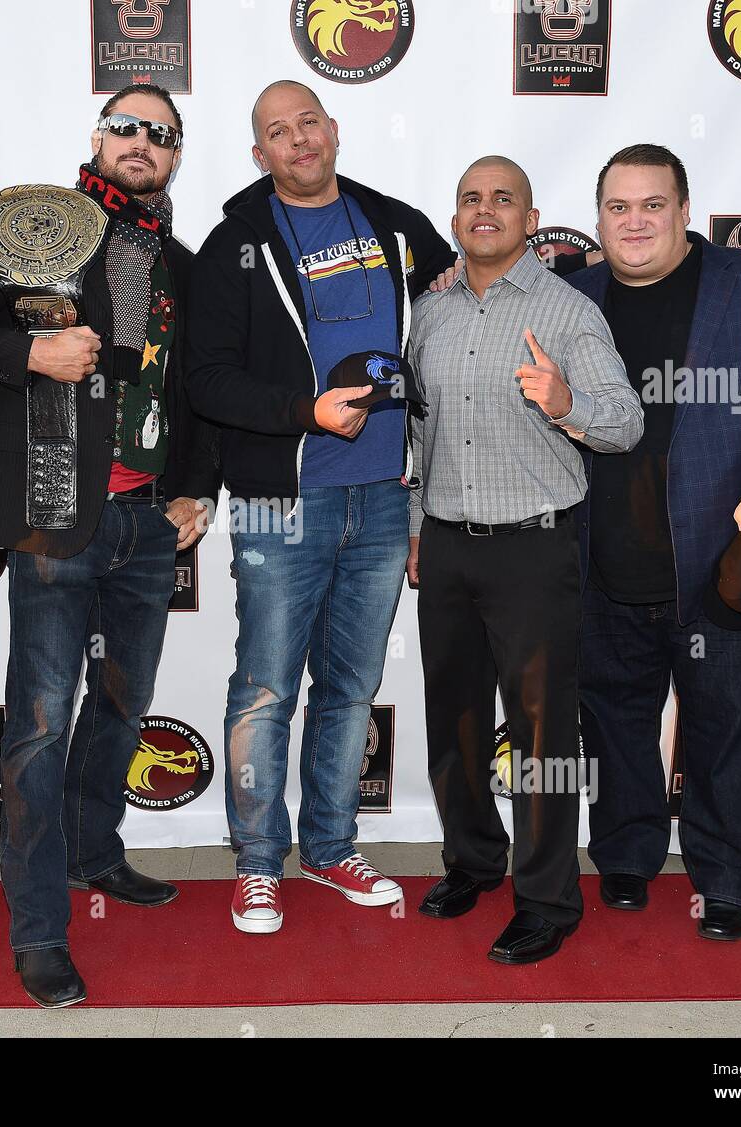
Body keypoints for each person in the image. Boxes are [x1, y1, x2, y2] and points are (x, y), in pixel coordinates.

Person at [0, 83, 220, 1006]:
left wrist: (199, 485)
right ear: (98, 137)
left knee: (121, 708)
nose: (142, 143)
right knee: (40, 723)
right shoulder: (33, 229)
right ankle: (39, 925)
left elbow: (204, 383)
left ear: (174, 156)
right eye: (126, 126)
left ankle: (94, 850)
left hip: (148, 524)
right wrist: (24, 354)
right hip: (52, 520)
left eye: (160, 135)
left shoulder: (186, 265)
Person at [186, 80, 456, 935]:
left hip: (381, 499)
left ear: (333, 130)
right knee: (265, 689)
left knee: (350, 686)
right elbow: (206, 381)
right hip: (280, 502)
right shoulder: (234, 246)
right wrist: (303, 413)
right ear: (258, 154)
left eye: (309, 123)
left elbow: (453, 329)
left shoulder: (398, 225)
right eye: (277, 132)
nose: (298, 140)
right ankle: (259, 862)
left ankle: (331, 846)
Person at [564, 144, 741, 940]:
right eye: (618, 208)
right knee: (614, 718)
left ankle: (727, 877)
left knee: (727, 723)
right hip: (602, 556)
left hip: (725, 560)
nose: (635, 221)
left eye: (652, 204)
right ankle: (625, 853)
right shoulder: (570, 295)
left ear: (685, 210)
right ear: (600, 219)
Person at [406, 156, 643, 965]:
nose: (485, 210)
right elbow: (420, 432)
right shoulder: (430, 312)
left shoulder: (567, 313)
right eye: (471, 197)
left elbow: (625, 422)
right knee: (457, 720)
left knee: (544, 736)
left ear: (532, 218)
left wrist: (567, 403)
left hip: (534, 549)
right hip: (442, 544)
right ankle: (473, 861)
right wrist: (414, 524)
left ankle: (547, 899)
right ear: (455, 215)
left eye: (502, 199)